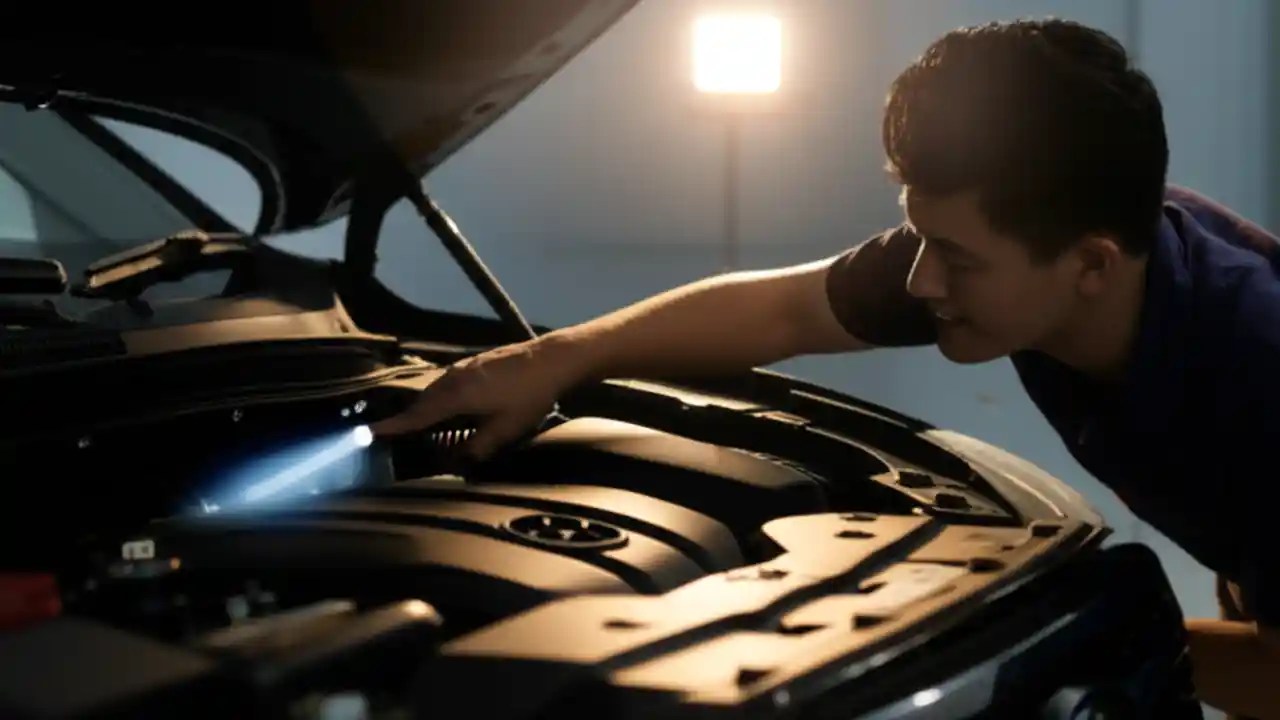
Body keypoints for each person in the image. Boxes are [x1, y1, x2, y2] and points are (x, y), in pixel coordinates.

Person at [372, 18, 1279, 718]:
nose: (921, 282)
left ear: (1090, 266)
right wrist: (550, 361)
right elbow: (782, 310)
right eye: (920, 238)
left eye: (958, 259)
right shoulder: (1052, 246)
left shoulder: (1260, 380)